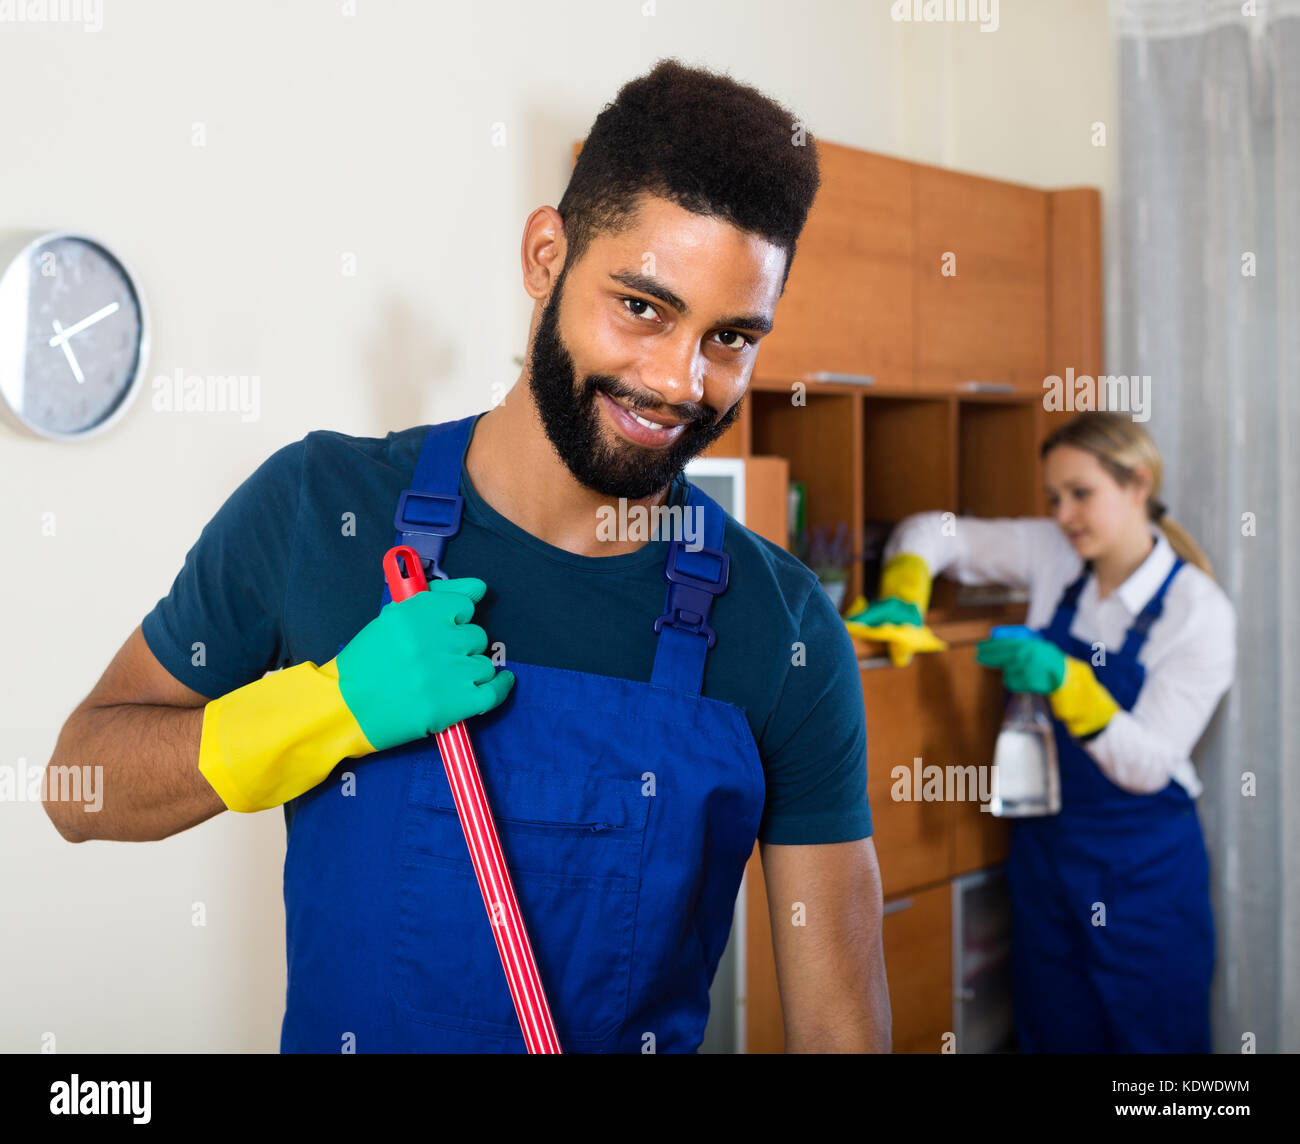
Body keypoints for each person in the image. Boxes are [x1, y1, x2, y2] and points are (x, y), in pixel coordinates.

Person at [43, 59, 890, 1054]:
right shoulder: (321, 505)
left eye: (732, 337)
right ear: (544, 256)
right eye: (641, 307)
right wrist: (329, 708)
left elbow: (841, 1031)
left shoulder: (783, 631)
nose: (678, 380)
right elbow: (76, 784)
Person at [853, 411, 1235, 1053]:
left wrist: (1071, 684)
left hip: (1144, 871)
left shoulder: (1197, 613)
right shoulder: (1057, 555)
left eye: (1081, 494)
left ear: (1137, 484)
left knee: (1157, 1052)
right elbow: (932, 531)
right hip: (1046, 852)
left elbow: (1146, 764)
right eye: (1054, 497)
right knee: (1053, 1032)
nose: (1064, 515)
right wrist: (908, 585)